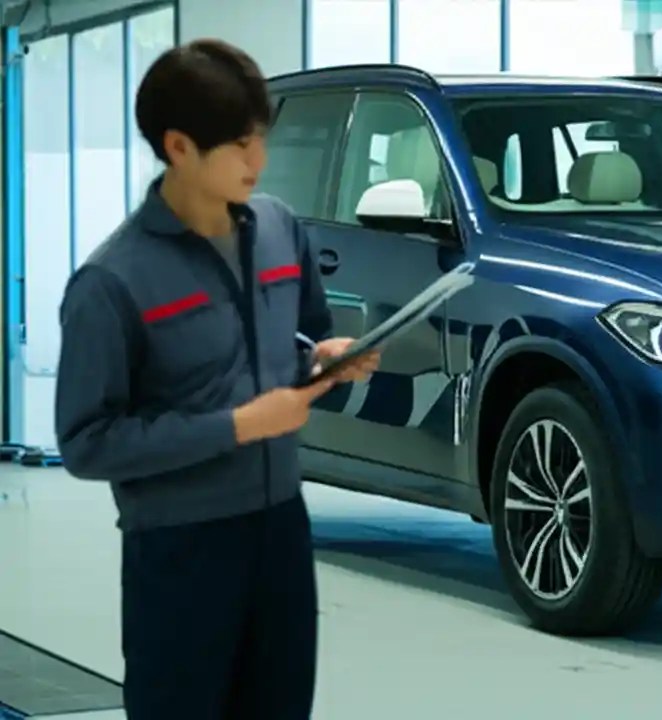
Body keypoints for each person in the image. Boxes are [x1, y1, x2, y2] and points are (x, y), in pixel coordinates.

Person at [53, 38, 378, 719]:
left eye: (260, 139)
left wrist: (326, 362)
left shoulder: (279, 231)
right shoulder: (112, 282)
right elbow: (88, 442)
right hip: (180, 551)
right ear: (177, 146)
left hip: (281, 532)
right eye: (238, 146)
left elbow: (297, 345)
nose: (259, 162)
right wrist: (235, 427)